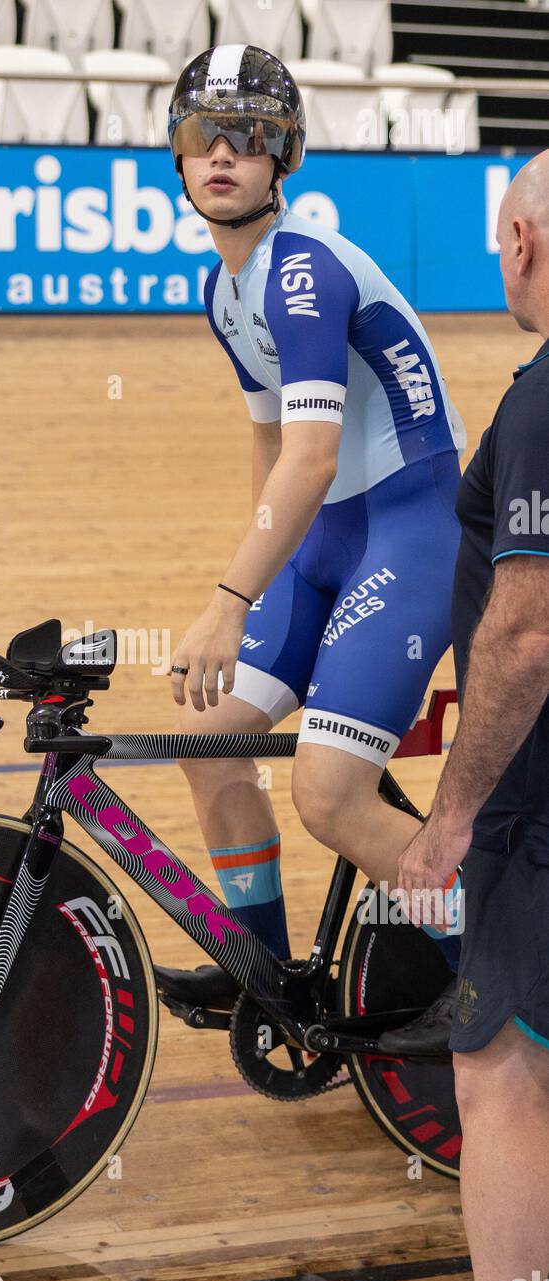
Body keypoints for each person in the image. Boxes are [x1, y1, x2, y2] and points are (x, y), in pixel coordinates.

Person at [154, 44, 465, 1014]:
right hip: (331, 537)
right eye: (205, 135)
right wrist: (263, 572)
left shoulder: (299, 271)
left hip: (409, 526)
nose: (223, 155)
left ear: (281, 157)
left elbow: (312, 457)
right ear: (176, 152)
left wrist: (227, 599)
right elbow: (269, 454)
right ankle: (266, 974)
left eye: (249, 139)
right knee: (204, 736)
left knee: (327, 796)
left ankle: (495, 977)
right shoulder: (223, 291)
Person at [395, 150, 549, 1281]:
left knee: (497, 1068)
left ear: (523, 243)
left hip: (531, 813)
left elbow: (523, 634)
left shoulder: (540, 399)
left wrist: (448, 818)